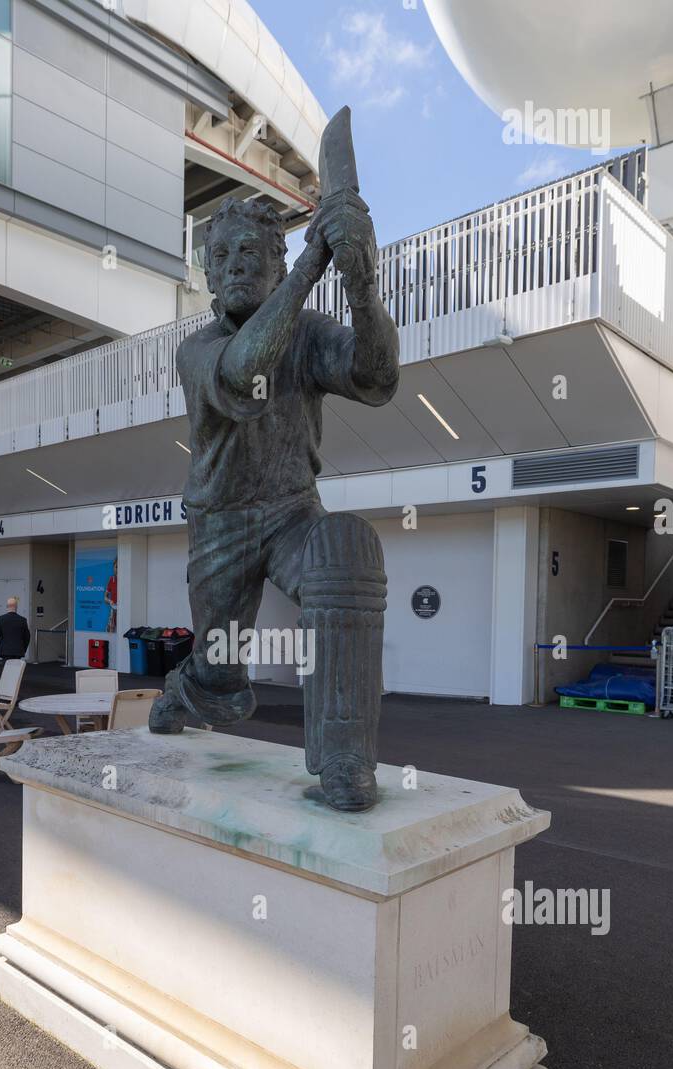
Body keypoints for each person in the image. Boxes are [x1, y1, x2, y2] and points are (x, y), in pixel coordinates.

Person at [149, 188, 400, 811]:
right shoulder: (197, 348)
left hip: (292, 511)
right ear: (208, 277)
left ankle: (344, 758)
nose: (238, 263)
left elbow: (377, 377)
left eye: (254, 253)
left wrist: (362, 286)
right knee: (222, 682)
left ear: (275, 267)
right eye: (224, 255)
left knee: (346, 551)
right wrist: (317, 259)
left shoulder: (308, 334)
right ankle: (188, 689)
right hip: (221, 524)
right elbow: (245, 372)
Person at [0, 596, 30, 661]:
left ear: (7, 606)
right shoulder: (23, 620)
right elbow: (27, 637)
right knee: (16, 670)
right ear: (16, 607)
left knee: (6, 670)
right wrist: (23, 649)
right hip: (18, 652)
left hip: (5, 652)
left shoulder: (1, 619)